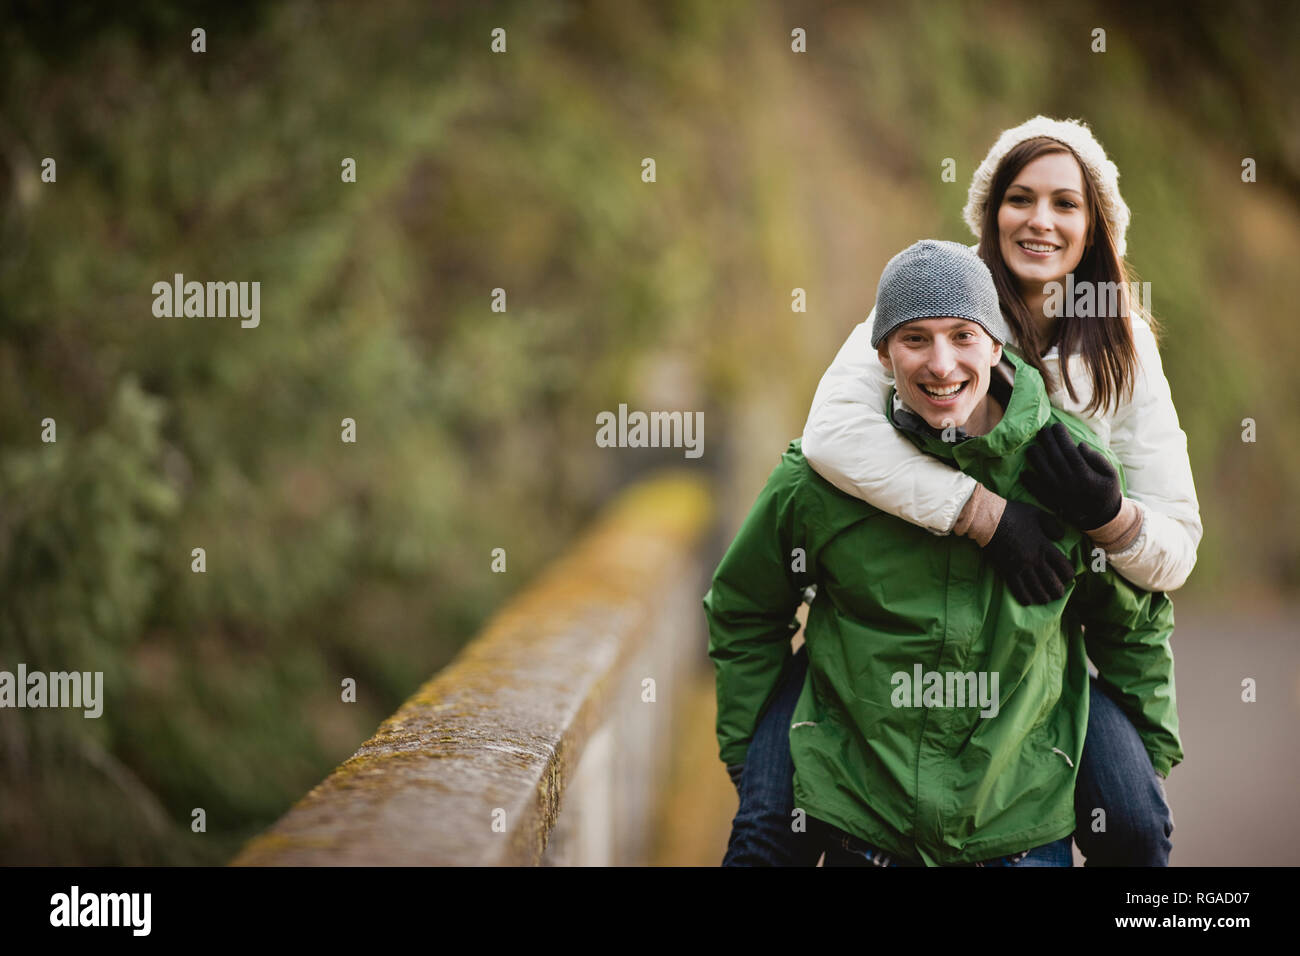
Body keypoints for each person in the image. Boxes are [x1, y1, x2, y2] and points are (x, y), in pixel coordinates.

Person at [727, 116, 1196, 866]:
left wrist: (1110, 517)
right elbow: (831, 438)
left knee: (1136, 823)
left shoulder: (1123, 346)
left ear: (1096, 224)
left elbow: (1170, 558)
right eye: (1020, 198)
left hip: (1046, 625)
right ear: (989, 213)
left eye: (1065, 203)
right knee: (767, 826)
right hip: (892, 622)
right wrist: (985, 515)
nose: (1040, 219)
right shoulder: (936, 298)